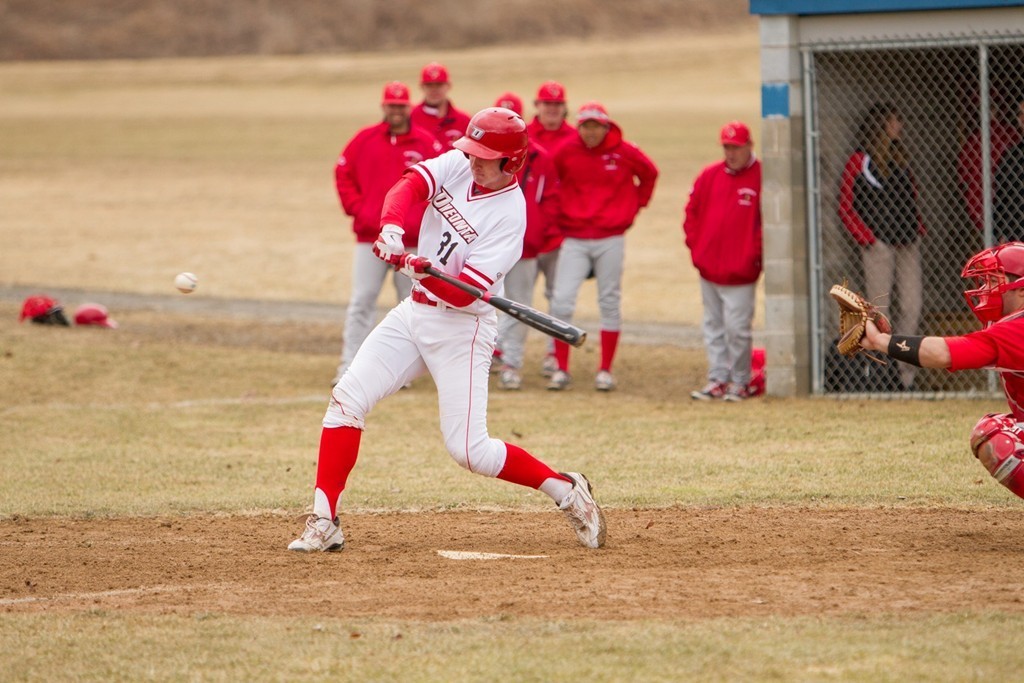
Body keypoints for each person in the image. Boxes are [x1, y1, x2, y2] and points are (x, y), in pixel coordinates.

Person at [288, 107, 606, 553]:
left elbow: (464, 295)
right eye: (471, 151)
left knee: (471, 452)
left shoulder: (510, 219)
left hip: (463, 327)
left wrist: (426, 269)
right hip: (414, 312)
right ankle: (324, 521)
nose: (472, 161)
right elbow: (410, 184)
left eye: (484, 156)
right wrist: (394, 228)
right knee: (346, 400)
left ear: (511, 162)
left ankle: (566, 490)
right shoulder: (461, 162)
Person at [860, 241, 1024, 499]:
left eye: (995, 281)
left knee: (995, 436)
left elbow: (942, 353)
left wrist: (881, 342)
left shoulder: (1018, 329)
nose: (985, 290)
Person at [331, 81, 444, 385]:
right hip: (370, 237)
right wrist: (359, 209)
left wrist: (423, 221)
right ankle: (349, 365)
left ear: (409, 106)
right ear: (384, 107)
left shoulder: (425, 143)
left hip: (410, 241)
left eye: (401, 105)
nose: (396, 111)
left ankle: (402, 372)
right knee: (362, 300)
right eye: (391, 105)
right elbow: (343, 173)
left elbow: (442, 186)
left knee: (410, 304)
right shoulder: (364, 140)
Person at [546, 102, 659, 392]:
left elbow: (649, 174)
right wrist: (560, 215)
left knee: (609, 300)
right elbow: (551, 181)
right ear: (579, 126)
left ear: (606, 127)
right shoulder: (567, 149)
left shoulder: (623, 151)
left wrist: (635, 205)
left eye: (596, 126)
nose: (591, 132)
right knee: (561, 300)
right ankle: (561, 367)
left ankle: (605, 369)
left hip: (610, 237)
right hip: (575, 236)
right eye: (586, 126)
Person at [838, 102, 926, 390]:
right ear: (880, 126)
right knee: (880, 310)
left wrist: (919, 229)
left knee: (912, 306)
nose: (899, 126)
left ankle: (905, 377)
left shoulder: (901, 158)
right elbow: (846, 206)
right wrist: (869, 240)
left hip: (907, 243)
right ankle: (880, 375)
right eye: (893, 122)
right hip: (880, 246)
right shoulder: (860, 161)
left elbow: (911, 197)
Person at [683, 121, 763, 402]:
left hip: (740, 271)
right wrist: (697, 249)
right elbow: (691, 212)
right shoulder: (709, 175)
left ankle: (740, 380)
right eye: (727, 147)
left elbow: (766, 225)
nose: (731, 153)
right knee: (713, 325)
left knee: (737, 329)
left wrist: (752, 256)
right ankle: (717, 378)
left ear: (749, 146)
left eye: (736, 147)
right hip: (709, 268)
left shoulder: (760, 177)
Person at [490, 92, 562, 390]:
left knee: (519, 304)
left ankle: (512, 363)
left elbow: (551, 200)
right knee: (487, 302)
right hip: (491, 243)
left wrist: (536, 234)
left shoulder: (540, 157)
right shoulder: (483, 157)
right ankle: (491, 353)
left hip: (526, 245)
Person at [525, 80, 576, 377]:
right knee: (516, 295)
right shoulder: (526, 135)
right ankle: (506, 351)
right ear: (537, 105)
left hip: (561, 232)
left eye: (557, 105)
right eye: (547, 104)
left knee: (558, 295)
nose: (552, 109)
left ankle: (553, 352)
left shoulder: (574, 137)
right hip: (526, 233)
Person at [958, 91, 1021, 233]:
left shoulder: (974, 141)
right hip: (1007, 201)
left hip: (983, 200)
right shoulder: (1010, 135)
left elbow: (963, 175)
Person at [410, 61, 472, 151]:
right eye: (429, 85)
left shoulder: (463, 120)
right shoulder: (411, 118)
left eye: (439, 84)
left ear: (448, 86)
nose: (434, 90)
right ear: (422, 86)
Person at [994, 93, 1024, 243]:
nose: (1023, 119)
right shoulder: (1012, 156)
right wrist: (997, 235)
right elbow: (1000, 197)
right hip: (1016, 233)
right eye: (1020, 114)